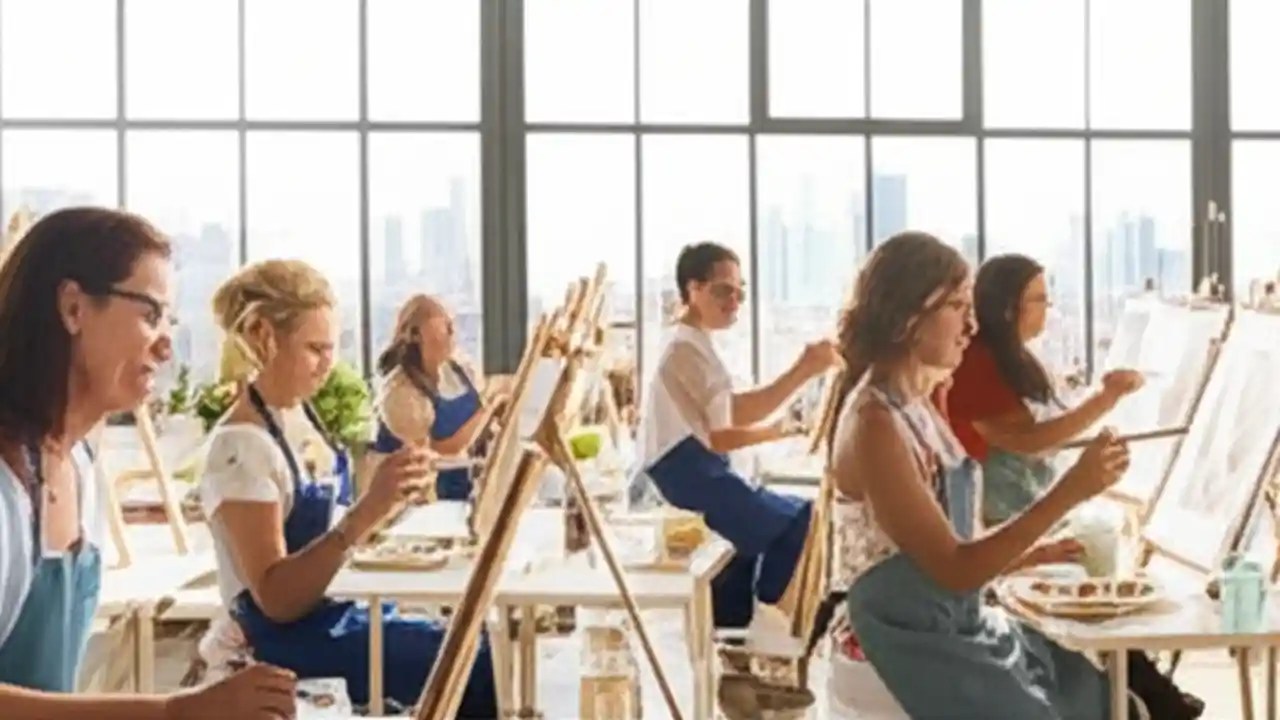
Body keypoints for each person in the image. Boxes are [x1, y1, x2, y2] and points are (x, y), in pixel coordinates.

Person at [828, 231, 1201, 719]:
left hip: (946, 625)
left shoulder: (917, 404)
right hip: (897, 642)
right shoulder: (875, 422)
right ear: (909, 318)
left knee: (1095, 689)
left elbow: (946, 547)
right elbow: (953, 567)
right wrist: (1070, 492)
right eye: (957, 306)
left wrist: (1033, 554)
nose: (971, 323)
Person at [0, 207, 296, 719]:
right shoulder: (6, 488)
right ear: (73, 307)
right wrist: (173, 712)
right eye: (150, 313)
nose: (165, 345)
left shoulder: (79, 467)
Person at [198, 260, 496, 716]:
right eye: (314, 349)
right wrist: (369, 511)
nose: (327, 365)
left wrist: (388, 499)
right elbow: (276, 599)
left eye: (331, 349)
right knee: (477, 663)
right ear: (264, 339)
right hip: (291, 642)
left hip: (334, 615)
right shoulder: (241, 447)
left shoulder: (297, 417)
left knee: (482, 639)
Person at [637, 241, 839, 631]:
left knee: (744, 553)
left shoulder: (693, 344)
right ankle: (769, 629)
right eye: (723, 290)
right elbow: (726, 430)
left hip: (696, 468)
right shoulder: (684, 349)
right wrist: (804, 369)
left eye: (739, 291)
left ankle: (733, 637)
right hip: (688, 473)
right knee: (801, 519)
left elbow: (728, 421)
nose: (734, 301)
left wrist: (784, 422)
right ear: (693, 289)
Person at [944, 253, 1144, 526]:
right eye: (1039, 299)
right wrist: (1106, 399)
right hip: (989, 519)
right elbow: (1030, 441)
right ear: (1008, 308)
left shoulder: (1015, 357)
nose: (1047, 307)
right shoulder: (977, 361)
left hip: (1013, 513)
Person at [370, 294, 507, 500]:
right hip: (416, 503)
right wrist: (488, 410)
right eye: (444, 324)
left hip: (466, 494)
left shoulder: (458, 369)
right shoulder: (400, 392)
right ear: (416, 334)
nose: (452, 331)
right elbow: (437, 452)